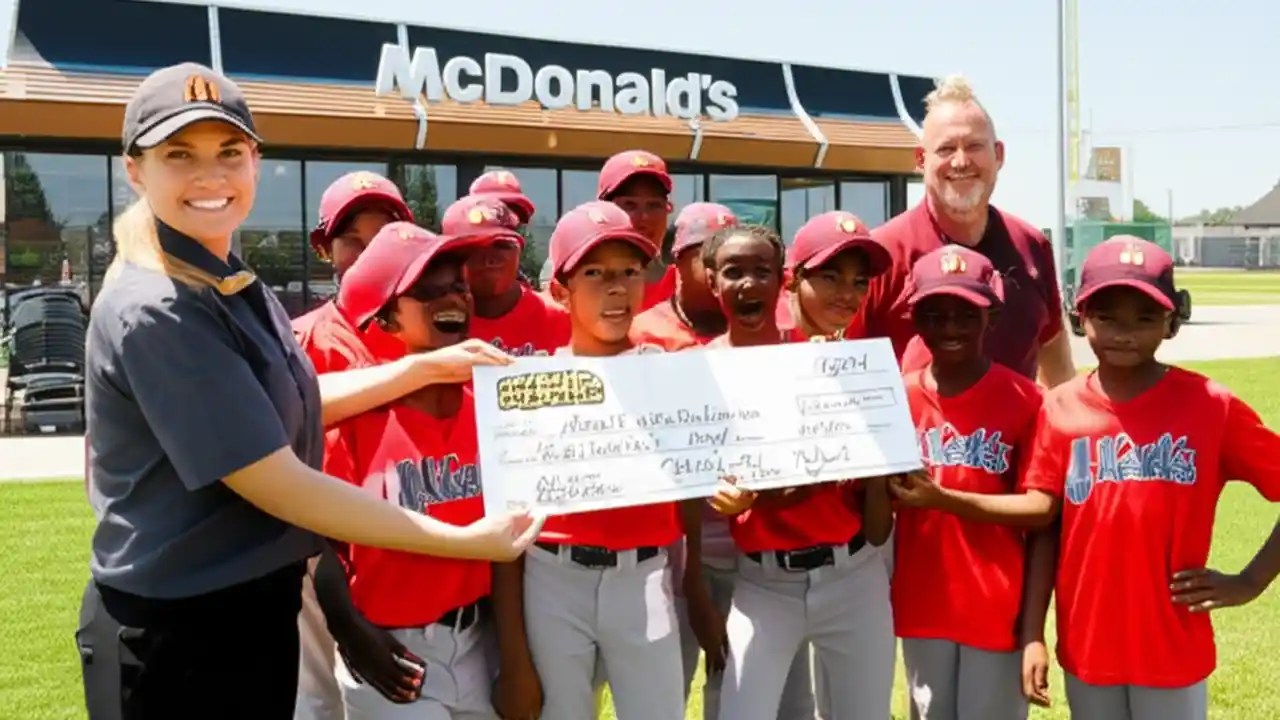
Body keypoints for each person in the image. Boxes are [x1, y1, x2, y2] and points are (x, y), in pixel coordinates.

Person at [76, 62, 541, 720]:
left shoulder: (227, 278)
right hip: (178, 632)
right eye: (179, 154)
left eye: (229, 152)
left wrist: (421, 369)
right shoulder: (160, 306)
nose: (210, 176)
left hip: (246, 610)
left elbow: (290, 405)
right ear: (135, 170)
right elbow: (279, 481)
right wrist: (467, 540)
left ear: (256, 162)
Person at [1019, 237, 1280, 720]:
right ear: (1080, 316)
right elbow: (1047, 529)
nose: (1124, 332)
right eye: (1108, 316)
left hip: (1172, 647)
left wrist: (1251, 581)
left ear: (1172, 321)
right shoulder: (1060, 408)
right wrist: (1033, 633)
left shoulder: (1209, 406)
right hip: (1089, 642)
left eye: (1145, 317)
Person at [322, 221, 542, 720]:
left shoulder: (490, 407)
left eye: (457, 286)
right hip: (393, 649)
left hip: (476, 642)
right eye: (425, 291)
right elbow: (320, 544)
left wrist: (514, 661)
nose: (451, 298)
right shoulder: (356, 413)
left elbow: (508, 548)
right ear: (387, 320)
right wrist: (351, 632)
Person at [702, 225, 895, 720]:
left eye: (857, 281)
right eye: (829, 276)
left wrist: (880, 452)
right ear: (795, 281)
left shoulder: (851, 367)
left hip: (853, 572)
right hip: (764, 581)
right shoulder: (703, 367)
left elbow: (876, 524)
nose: (845, 293)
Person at [522, 200, 686, 720]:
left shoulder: (673, 376)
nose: (616, 288)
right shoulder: (528, 385)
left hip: (641, 571)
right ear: (559, 290)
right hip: (553, 573)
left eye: (629, 272)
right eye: (594, 273)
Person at [886, 246, 1055, 720]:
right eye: (934, 314)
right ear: (914, 317)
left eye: (966, 313)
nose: (950, 327)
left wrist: (1033, 630)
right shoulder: (897, 396)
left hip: (997, 606)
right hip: (922, 603)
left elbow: (1043, 513)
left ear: (993, 315)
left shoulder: (1026, 400)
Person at [292, 169, 419, 720]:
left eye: (384, 238)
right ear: (325, 248)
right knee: (317, 705)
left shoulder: (423, 330)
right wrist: (335, 594)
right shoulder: (298, 339)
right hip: (318, 561)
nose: (368, 255)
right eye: (352, 242)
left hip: (408, 554)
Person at [856, 75, 1075, 387]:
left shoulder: (1032, 245)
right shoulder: (881, 254)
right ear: (921, 160)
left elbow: (1053, 352)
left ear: (998, 155)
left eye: (974, 146)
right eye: (946, 149)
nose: (961, 161)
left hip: (1016, 435)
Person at [441, 195, 571, 356]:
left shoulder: (562, 319)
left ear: (519, 250)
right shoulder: (431, 326)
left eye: (501, 245)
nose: (489, 258)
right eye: (473, 249)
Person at [630, 202, 736, 350]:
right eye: (711, 253)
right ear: (678, 257)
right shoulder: (642, 333)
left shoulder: (760, 327)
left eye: (734, 258)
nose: (725, 266)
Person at [783, 211, 891, 342]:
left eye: (860, 282)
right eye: (830, 278)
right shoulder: (766, 335)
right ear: (795, 278)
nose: (847, 295)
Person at [596, 149, 674, 310]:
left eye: (654, 205)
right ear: (602, 209)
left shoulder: (685, 287)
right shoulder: (575, 280)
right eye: (629, 205)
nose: (644, 217)